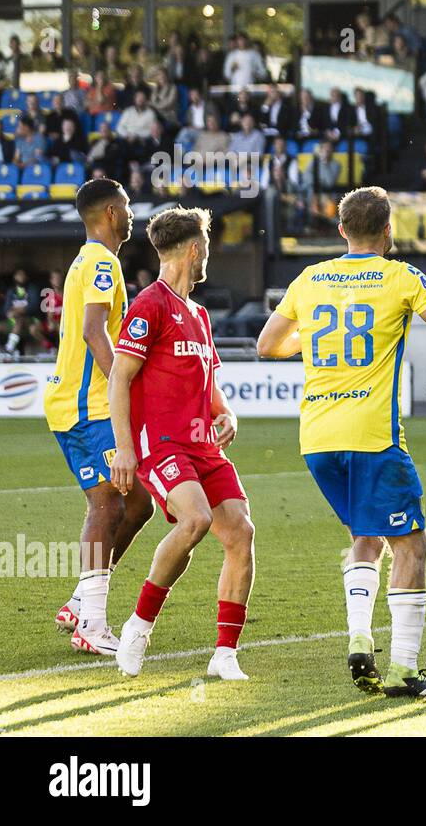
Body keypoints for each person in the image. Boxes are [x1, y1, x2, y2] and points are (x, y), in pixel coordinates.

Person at [257, 187, 426, 697]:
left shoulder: (309, 278)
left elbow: (267, 345)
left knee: (365, 537)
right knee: (412, 544)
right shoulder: (400, 276)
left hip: (318, 440)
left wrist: (320, 340)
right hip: (372, 437)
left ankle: (359, 638)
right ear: (388, 232)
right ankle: (405, 670)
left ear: (342, 230)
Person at [110, 207, 256, 680]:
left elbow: (209, 380)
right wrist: (126, 449)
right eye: (207, 247)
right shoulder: (149, 305)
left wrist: (225, 412)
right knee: (195, 520)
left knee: (240, 532)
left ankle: (225, 654)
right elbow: (119, 378)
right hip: (161, 444)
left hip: (202, 446)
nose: (207, 255)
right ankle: (138, 626)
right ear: (195, 250)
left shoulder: (198, 313)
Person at [42, 179, 154, 654]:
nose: (131, 215)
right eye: (126, 207)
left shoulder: (89, 260)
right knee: (107, 503)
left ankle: (80, 602)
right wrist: (120, 385)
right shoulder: (101, 262)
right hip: (86, 406)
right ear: (110, 212)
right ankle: (91, 624)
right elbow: (93, 332)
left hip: (87, 404)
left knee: (139, 504)